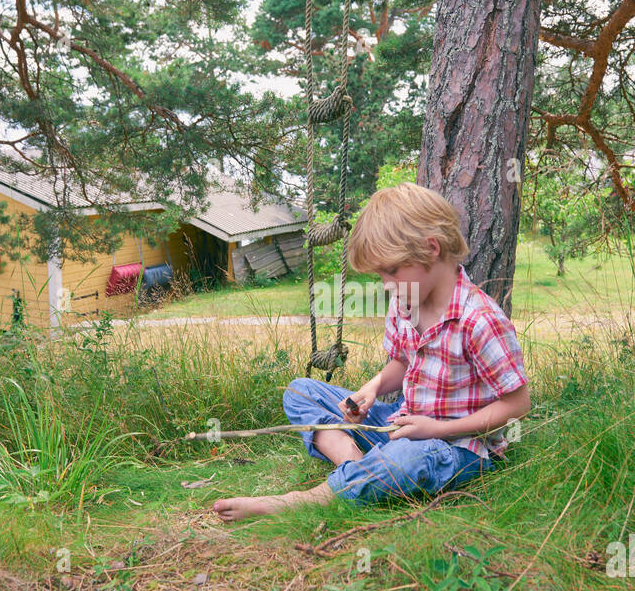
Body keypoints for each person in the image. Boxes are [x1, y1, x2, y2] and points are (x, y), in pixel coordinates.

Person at [211, 182, 530, 521]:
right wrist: (374, 387)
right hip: (402, 424)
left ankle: (304, 500)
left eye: (391, 270)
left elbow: (517, 405)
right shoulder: (405, 301)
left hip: (457, 446)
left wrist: (434, 430)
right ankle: (357, 465)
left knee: (408, 460)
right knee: (299, 391)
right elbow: (402, 362)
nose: (386, 283)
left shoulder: (479, 320)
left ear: (431, 248)